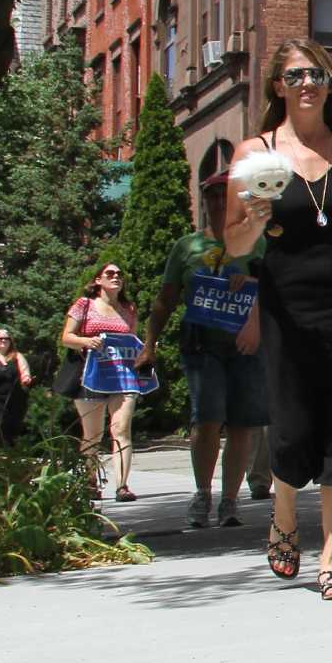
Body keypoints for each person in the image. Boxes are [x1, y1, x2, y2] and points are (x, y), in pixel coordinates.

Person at [225, 39, 332, 602]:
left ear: (330, 84)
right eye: (295, 75)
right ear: (278, 85)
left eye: (316, 74)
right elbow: (234, 243)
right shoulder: (257, 150)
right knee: (293, 423)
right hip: (288, 298)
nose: (307, 84)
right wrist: (253, 221)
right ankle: (283, 509)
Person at [140, 170, 267, 529]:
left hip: (245, 339)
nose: (217, 204)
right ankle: (202, 493)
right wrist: (149, 343)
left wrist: (253, 281)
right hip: (202, 339)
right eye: (211, 197)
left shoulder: (257, 243)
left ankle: (230, 501)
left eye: (225, 197)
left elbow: (277, 286)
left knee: (242, 422)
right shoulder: (187, 247)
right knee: (206, 417)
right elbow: (165, 300)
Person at [60, 262, 143, 500]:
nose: (116, 277)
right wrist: (87, 342)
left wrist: (144, 349)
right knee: (93, 435)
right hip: (92, 376)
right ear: (98, 280)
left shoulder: (129, 308)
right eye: (110, 273)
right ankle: (89, 479)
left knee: (121, 429)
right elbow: (66, 337)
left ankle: (122, 486)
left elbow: (132, 340)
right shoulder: (84, 305)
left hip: (122, 377)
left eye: (119, 274)